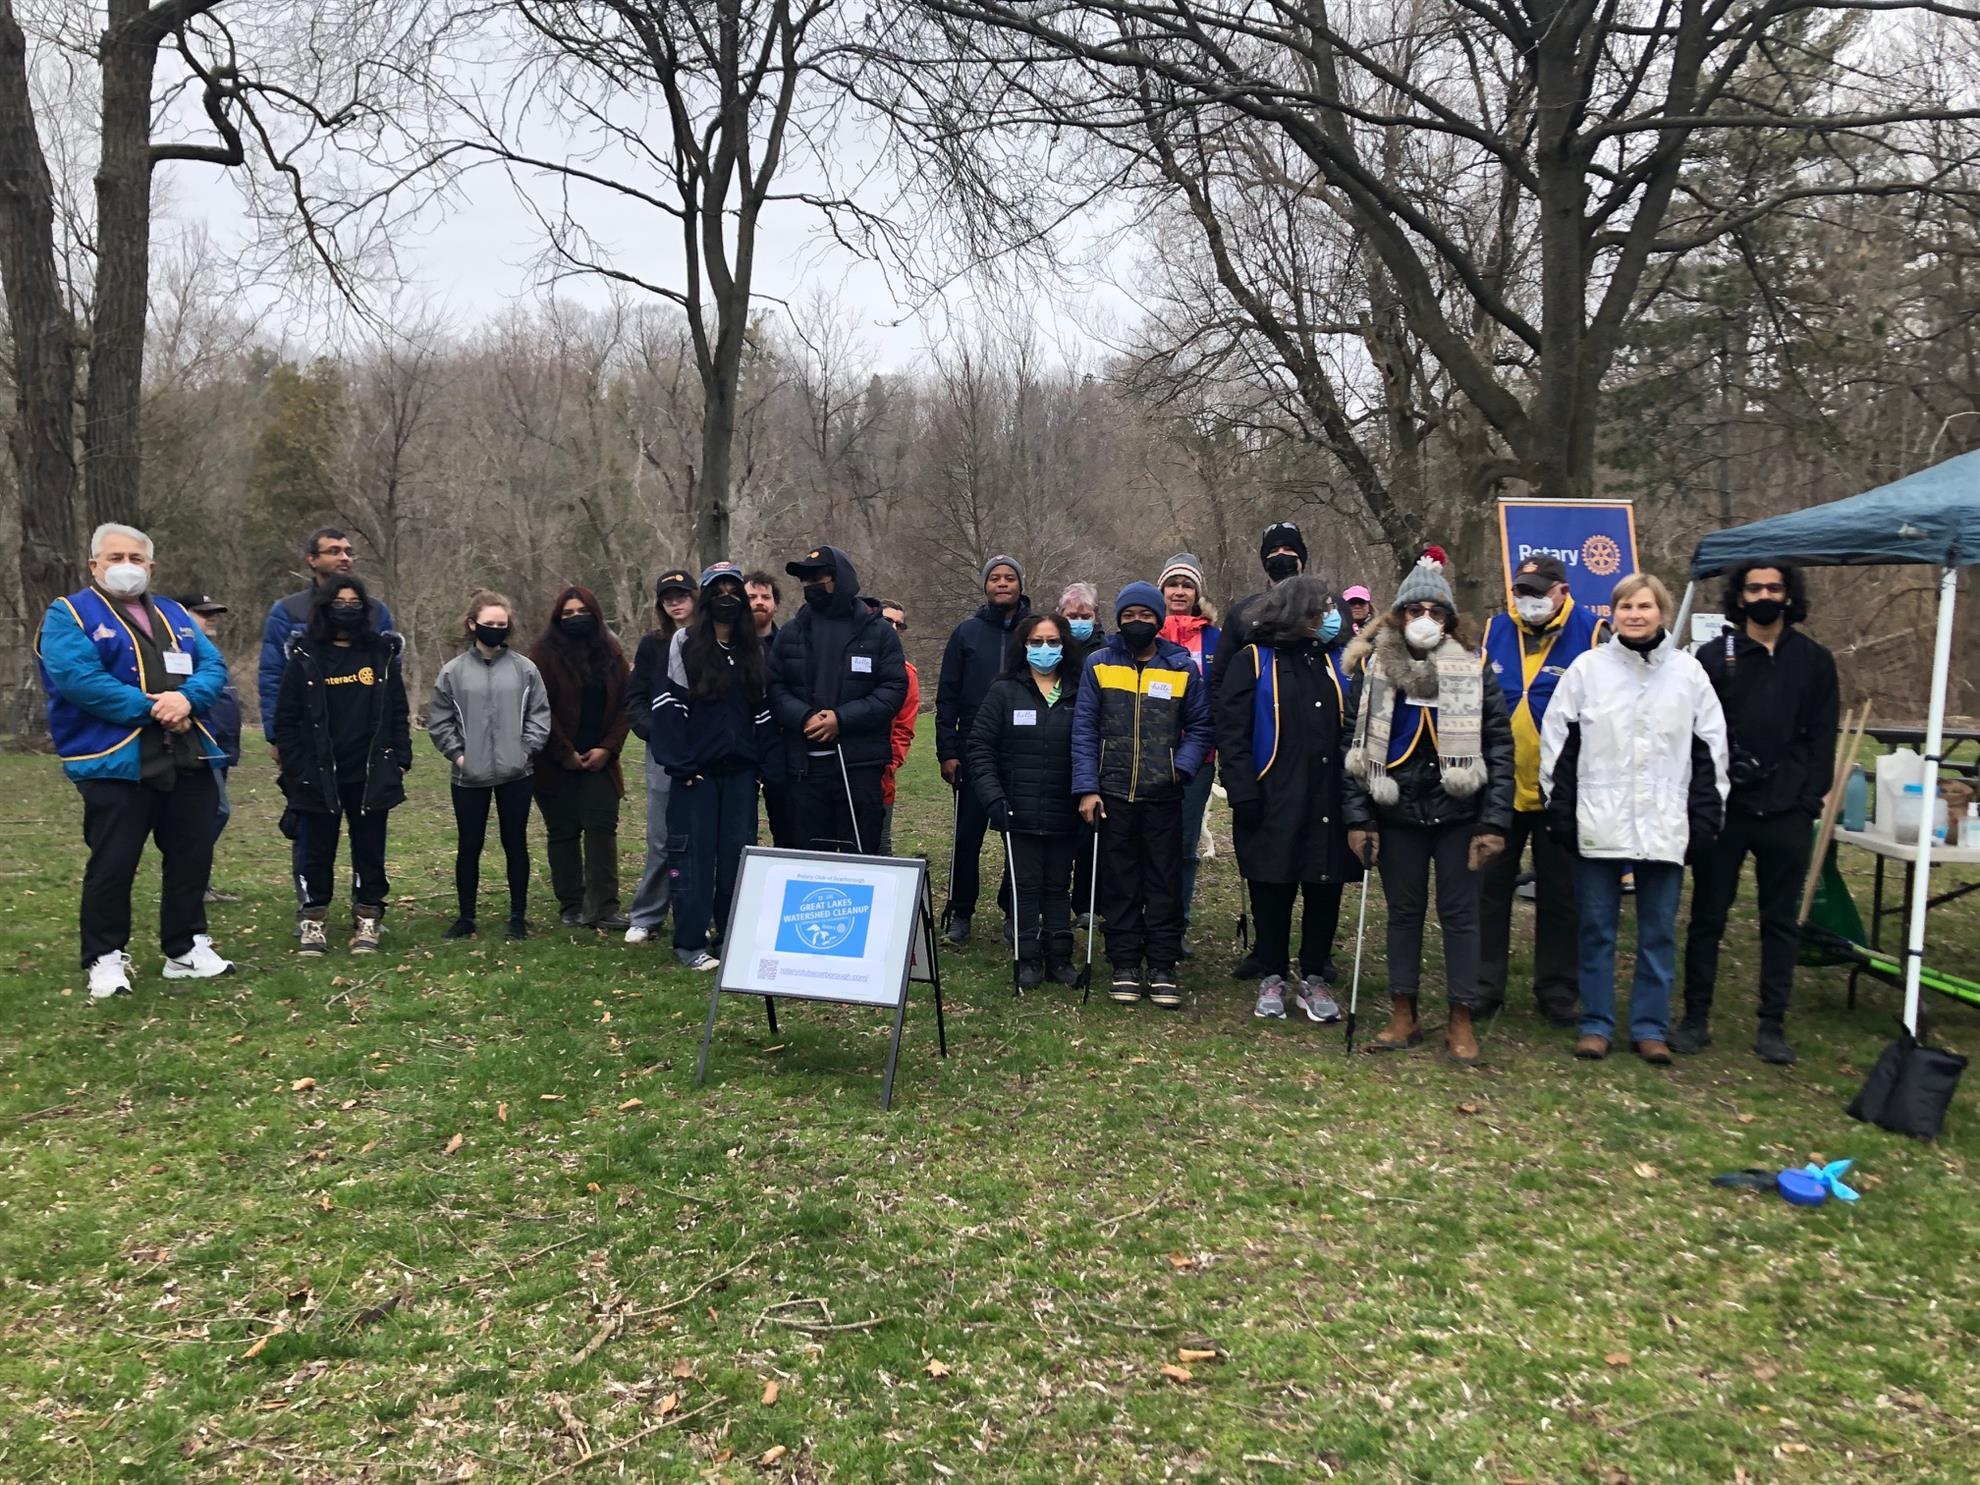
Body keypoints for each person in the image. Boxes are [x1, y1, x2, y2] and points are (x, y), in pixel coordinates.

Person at [37, 524, 236, 997]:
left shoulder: (174, 614)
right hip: (114, 760)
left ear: (151, 565)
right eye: (114, 557)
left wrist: (186, 701)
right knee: (114, 860)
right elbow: (78, 679)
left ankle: (186, 948)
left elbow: (212, 666)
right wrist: (153, 708)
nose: (125, 566)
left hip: (185, 753)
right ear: (94, 565)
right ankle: (104, 957)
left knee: (191, 854)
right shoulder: (68, 614)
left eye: (135, 557)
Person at [1541, 573, 1728, 1065]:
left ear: (1662, 613)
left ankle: (1650, 1026)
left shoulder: (1688, 675)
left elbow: (1711, 748)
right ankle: (1596, 1023)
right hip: (1598, 820)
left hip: (1666, 822)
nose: (1636, 615)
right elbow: (1557, 745)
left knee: (1658, 931)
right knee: (1597, 928)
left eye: (1645, 606)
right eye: (1626, 606)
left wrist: (1707, 814)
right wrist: (1560, 809)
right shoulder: (1587, 670)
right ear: (1613, 613)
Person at [1342, 550, 1514, 1065]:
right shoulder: (1374, 670)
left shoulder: (1474, 670)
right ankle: (1404, 1012)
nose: (1424, 621)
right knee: (1404, 914)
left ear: (1449, 620)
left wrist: (1495, 821)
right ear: (1397, 616)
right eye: (1414, 611)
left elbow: (1500, 746)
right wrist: (1359, 817)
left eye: (1435, 613)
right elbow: (1352, 747)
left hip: (1460, 812)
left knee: (1461, 917)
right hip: (1396, 812)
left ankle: (1461, 1019)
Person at [1678, 561, 1837, 1064]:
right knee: (1708, 916)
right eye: (1754, 588)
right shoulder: (1713, 656)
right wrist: (1705, 798)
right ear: (1739, 596)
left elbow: (1823, 735)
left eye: (1774, 587)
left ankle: (1772, 1023)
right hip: (1727, 810)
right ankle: (1695, 1018)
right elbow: (1694, 735)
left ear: (1789, 595)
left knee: (1780, 921)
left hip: (1788, 810)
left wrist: (1810, 797)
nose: (1764, 595)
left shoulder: (1814, 660)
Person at [1214, 576, 1357, 1023]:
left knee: (1324, 882)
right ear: (1298, 613)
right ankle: (1272, 972)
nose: (1331, 618)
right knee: (1272, 884)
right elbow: (1232, 734)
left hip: (1329, 795)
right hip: (1271, 793)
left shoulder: (1340, 664)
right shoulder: (1253, 661)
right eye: (1322, 609)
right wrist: (1243, 793)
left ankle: (1314, 975)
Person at [1476, 554, 1608, 1026]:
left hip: (1561, 793)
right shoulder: (1494, 631)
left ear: (1562, 592)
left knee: (1560, 895)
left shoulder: (1594, 635)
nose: (1526, 600)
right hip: (1499, 789)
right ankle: (1484, 985)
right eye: (1521, 591)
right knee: (1488, 891)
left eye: (1537, 592)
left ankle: (1556, 990)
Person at [1072, 581, 1212, 1008]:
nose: (1137, 622)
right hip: (1112, 794)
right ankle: (1126, 963)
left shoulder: (1181, 667)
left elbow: (1202, 727)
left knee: (1164, 882)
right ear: (1119, 620)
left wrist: (1181, 768)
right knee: (1121, 882)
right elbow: (1083, 730)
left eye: (1145, 616)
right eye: (1129, 616)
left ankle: (1164, 965)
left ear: (1158, 620)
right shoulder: (1098, 664)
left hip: (1163, 793)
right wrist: (1087, 788)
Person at [273, 576, 413, 956]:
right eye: (339, 602)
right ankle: (314, 920)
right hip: (317, 772)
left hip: (369, 771)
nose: (347, 609)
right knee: (316, 850)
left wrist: (400, 759)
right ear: (324, 607)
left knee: (370, 849)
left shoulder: (380, 654)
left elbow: (398, 712)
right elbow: (285, 719)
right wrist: (296, 766)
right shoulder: (305, 656)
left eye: (355, 603)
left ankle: (368, 916)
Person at [652, 563, 779, 969]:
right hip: (697, 776)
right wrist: (683, 766)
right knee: (693, 858)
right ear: (705, 598)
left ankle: (731, 936)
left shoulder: (752, 650)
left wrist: (759, 767)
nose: (726, 596)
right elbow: (668, 709)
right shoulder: (684, 643)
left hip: (741, 775)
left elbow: (762, 713)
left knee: (736, 857)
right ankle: (690, 942)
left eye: (732, 590)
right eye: (717, 590)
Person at [1210, 520, 1311, 979]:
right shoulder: (1244, 613)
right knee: (1266, 860)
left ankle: (1315, 954)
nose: (1283, 557)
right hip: (1261, 751)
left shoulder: (1324, 608)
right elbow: (1221, 685)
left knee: (1316, 862)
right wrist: (1231, 760)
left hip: (1315, 753)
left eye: (1290, 549)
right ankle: (1267, 952)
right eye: (1275, 551)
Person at [768, 546, 908, 854]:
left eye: (819, 577)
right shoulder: (791, 632)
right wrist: (803, 716)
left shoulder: (878, 634)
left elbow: (893, 689)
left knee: (860, 858)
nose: (811, 586)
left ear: (841, 578)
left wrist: (841, 719)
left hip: (859, 767)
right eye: (805, 580)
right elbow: (775, 688)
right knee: (809, 859)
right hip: (804, 770)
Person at [967, 612, 1082, 988]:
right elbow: (980, 748)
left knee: (1057, 885)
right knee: (1026, 886)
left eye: (1052, 641)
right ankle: (1027, 956)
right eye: (1036, 642)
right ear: (1024, 646)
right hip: (1017, 808)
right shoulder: (1004, 691)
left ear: (1064, 645)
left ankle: (1060, 955)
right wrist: (992, 797)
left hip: (1065, 808)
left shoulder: (1080, 691)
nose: (1045, 649)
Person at [428, 591, 552, 940]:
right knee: (470, 844)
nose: (496, 629)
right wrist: (459, 756)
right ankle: (466, 917)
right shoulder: (453, 672)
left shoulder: (525, 669)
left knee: (515, 843)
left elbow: (539, 715)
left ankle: (517, 916)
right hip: (469, 775)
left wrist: (526, 751)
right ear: (473, 625)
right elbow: (440, 720)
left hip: (517, 773)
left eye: (502, 624)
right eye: (489, 624)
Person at [936, 554, 1029, 942]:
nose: (1002, 584)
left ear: (1021, 585)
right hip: (974, 747)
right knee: (967, 835)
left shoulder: (1037, 631)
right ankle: (961, 912)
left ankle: (1014, 911)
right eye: (995, 578)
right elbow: (947, 695)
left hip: (1023, 748)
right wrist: (947, 750)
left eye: (1010, 578)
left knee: (1018, 835)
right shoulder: (966, 633)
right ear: (986, 586)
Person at [528, 585, 632, 929]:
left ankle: (603, 906)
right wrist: (565, 752)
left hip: (602, 759)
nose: (575, 619)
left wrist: (608, 747)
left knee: (602, 830)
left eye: (582, 612)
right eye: (567, 614)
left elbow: (625, 705)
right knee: (563, 832)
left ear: (595, 614)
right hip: (554, 761)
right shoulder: (542, 654)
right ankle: (571, 903)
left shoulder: (611, 652)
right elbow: (539, 708)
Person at [257, 527, 395, 761]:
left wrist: (393, 739)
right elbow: (272, 675)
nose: (345, 558)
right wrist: (277, 736)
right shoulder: (288, 610)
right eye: (334, 551)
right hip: (307, 733)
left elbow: (392, 678)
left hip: (363, 734)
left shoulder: (375, 611)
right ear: (312, 559)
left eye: (348, 552)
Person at [624, 569, 697, 945]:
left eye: (681, 594)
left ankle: (704, 913)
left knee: (703, 837)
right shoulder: (652, 644)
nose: (675, 601)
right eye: (668, 597)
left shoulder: (710, 640)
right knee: (661, 838)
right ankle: (648, 915)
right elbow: (634, 698)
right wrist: (654, 731)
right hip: (663, 753)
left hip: (705, 752)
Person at [1158, 553, 1221, 955]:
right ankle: (1143, 920)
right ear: (1161, 590)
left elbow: (1224, 697)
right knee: (1145, 841)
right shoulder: (1146, 628)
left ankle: (1175, 925)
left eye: (1187, 585)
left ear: (1197, 592)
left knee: (1184, 843)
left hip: (1198, 758)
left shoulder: (1216, 638)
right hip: (1146, 754)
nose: (1179, 591)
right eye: (1173, 584)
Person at [178, 593, 243, 903]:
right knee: (214, 812)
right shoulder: (179, 653)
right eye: (203, 613)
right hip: (199, 748)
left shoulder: (209, 654)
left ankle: (198, 884)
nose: (212, 617)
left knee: (212, 814)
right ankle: (188, 883)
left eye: (214, 612)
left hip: (221, 747)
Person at [1059, 581, 1105, 923]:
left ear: (1096, 616)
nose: (1077, 621)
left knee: (1092, 835)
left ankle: (1088, 904)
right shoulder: (1047, 646)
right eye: (1071, 615)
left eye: (1083, 615)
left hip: (1096, 751)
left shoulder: (1108, 651)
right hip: (1056, 749)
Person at [746, 570, 798, 846]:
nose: (759, 602)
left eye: (766, 596)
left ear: (775, 604)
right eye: (752, 596)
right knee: (740, 831)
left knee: (787, 827)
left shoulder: (790, 644)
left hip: (782, 749)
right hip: (741, 748)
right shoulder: (726, 647)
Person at [874, 598, 920, 856]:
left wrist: (890, 763)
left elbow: (904, 728)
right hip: (840, 772)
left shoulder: (907, 674)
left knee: (881, 846)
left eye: (898, 624)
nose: (892, 627)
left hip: (882, 777)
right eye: (887, 620)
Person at [1061, 582, 1105, 662]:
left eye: (1086, 617)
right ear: (1061, 614)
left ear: (1095, 616)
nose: (1079, 622)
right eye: (1072, 616)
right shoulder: (1052, 646)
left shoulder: (1106, 650)